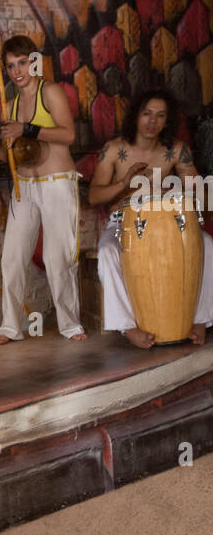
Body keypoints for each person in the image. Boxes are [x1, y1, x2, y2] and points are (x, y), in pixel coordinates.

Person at [0, 35, 87, 344]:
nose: (16, 71)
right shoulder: (10, 105)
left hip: (57, 183)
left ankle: (71, 325)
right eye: (10, 66)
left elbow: (68, 134)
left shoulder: (49, 91)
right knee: (11, 258)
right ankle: (10, 327)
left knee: (56, 257)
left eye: (22, 63)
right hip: (24, 187)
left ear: (33, 61)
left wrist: (28, 129)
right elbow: (10, 155)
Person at [87, 89, 213, 347]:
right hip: (124, 222)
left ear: (167, 121)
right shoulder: (113, 149)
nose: (152, 121)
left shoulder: (177, 150)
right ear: (136, 116)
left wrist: (181, 190)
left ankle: (201, 318)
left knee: (208, 246)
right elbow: (94, 197)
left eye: (160, 115)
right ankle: (127, 326)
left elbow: (200, 193)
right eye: (147, 113)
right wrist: (124, 183)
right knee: (108, 251)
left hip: (171, 222)